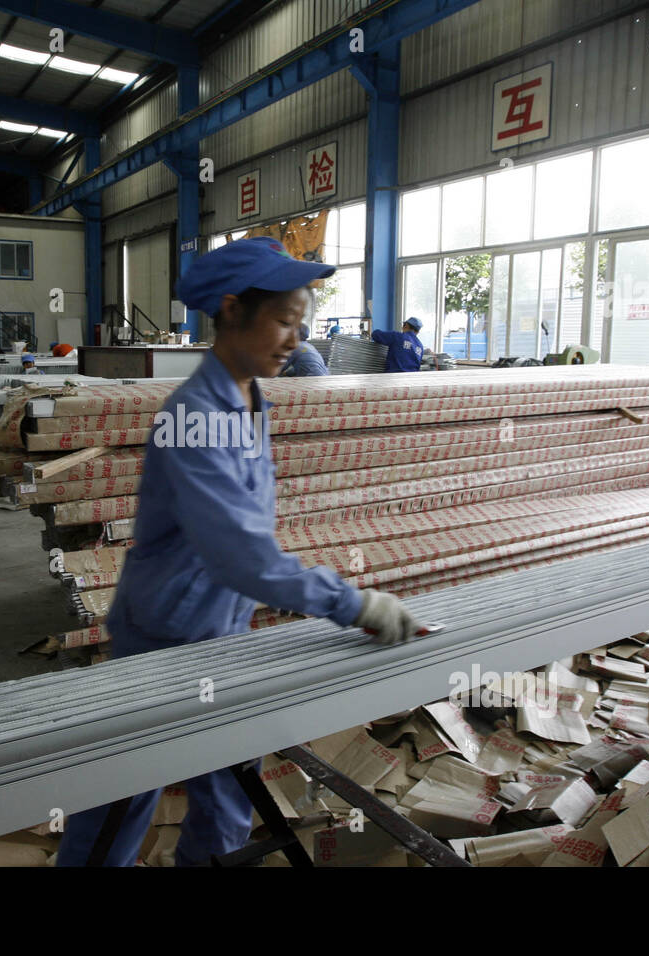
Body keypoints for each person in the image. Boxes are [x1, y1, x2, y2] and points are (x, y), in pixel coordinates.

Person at [54, 236, 428, 867]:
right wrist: (353, 603)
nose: (295, 339)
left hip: (221, 636)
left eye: (300, 323)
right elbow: (242, 556)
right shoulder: (196, 415)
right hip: (160, 640)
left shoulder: (252, 400)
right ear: (231, 311)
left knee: (228, 796)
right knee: (121, 805)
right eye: (283, 321)